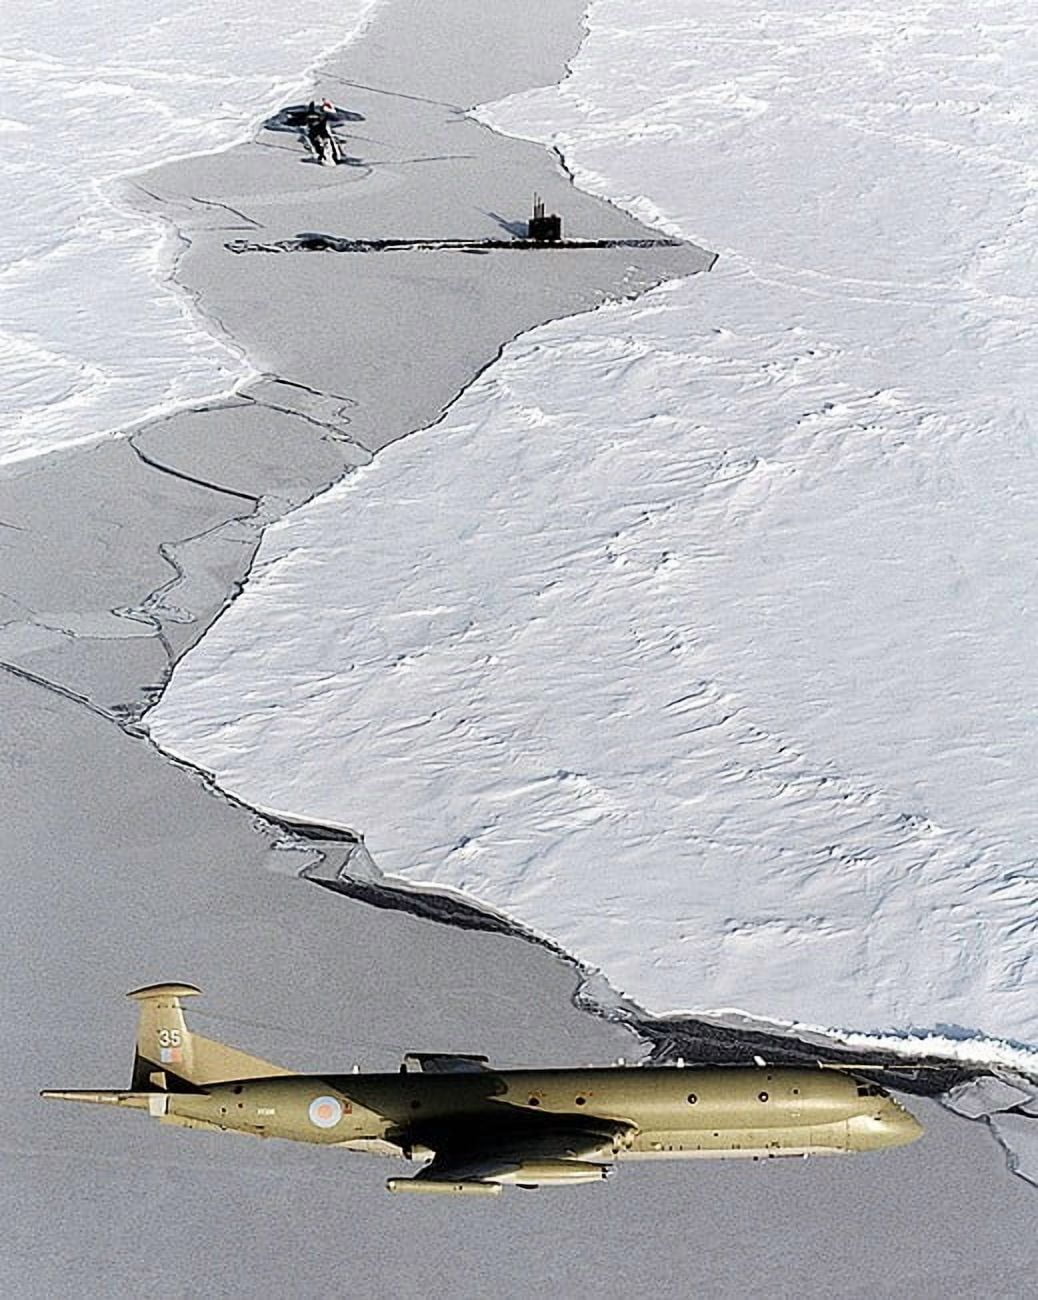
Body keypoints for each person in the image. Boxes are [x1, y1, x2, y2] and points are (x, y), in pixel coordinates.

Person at [303, 100, 339, 164]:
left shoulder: (322, 113)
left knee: (323, 139)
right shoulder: (321, 113)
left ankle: (332, 155)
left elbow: (334, 116)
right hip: (318, 129)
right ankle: (323, 155)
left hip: (319, 129)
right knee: (316, 139)